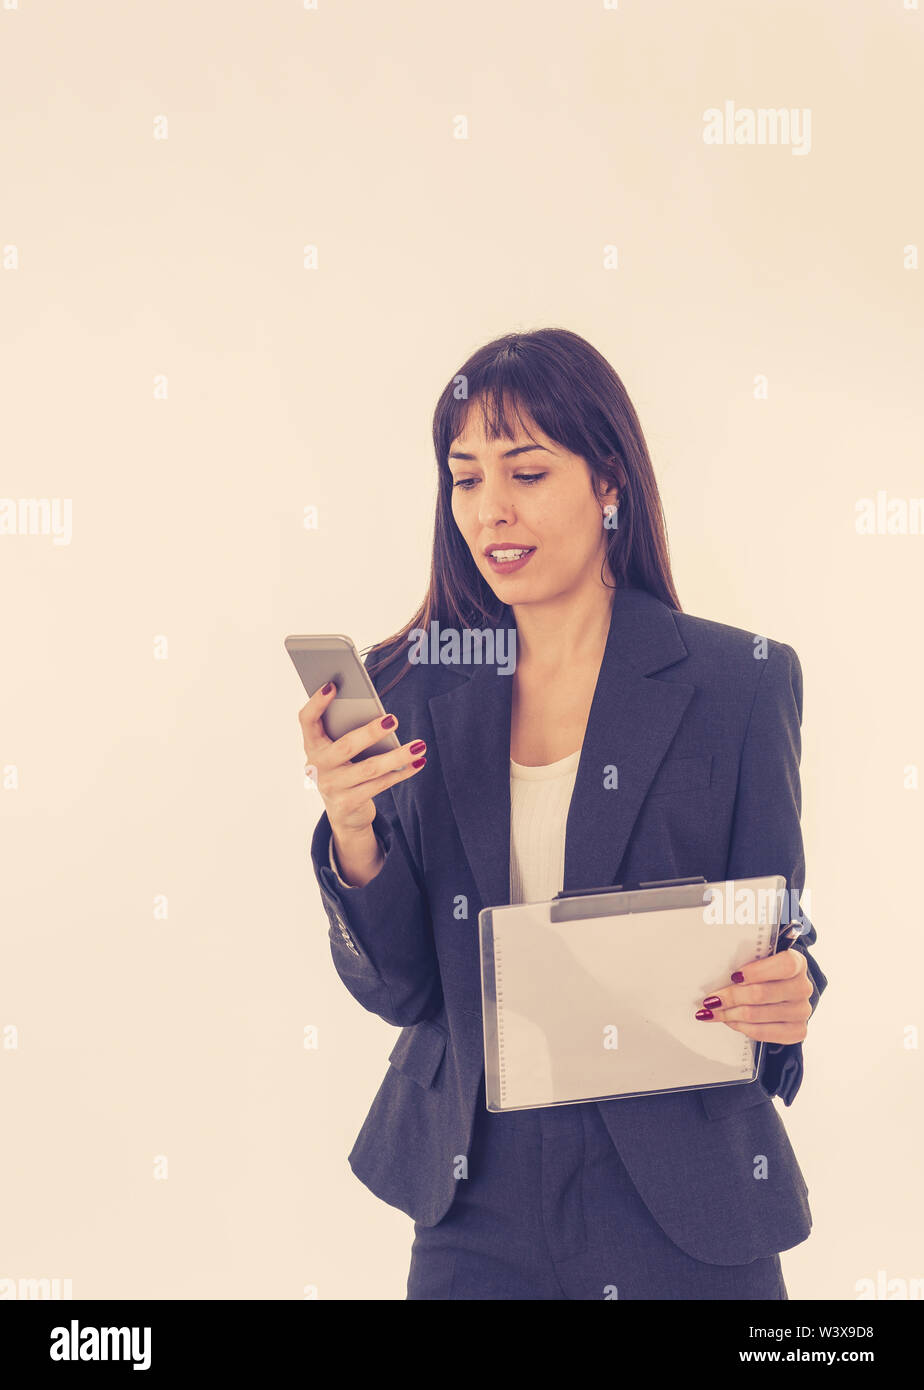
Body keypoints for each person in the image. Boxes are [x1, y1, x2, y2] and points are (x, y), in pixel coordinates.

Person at [298, 327, 827, 1300]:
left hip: (685, 1192)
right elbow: (407, 992)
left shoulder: (738, 681)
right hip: (476, 1195)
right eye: (464, 477)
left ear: (609, 479)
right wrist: (354, 833)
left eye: (528, 470)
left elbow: (776, 926)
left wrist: (790, 997)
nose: (491, 508)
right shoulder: (410, 685)